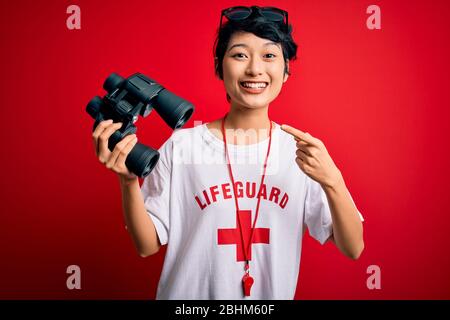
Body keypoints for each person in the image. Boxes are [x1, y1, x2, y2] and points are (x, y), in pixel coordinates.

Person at [91, 6, 364, 300]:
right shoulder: (183, 146)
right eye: (240, 55)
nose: (255, 69)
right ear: (219, 67)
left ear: (286, 72)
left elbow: (353, 247)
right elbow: (147, 245)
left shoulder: (301, 153)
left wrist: (333, 180)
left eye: (269, 55)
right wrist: (128, 182)